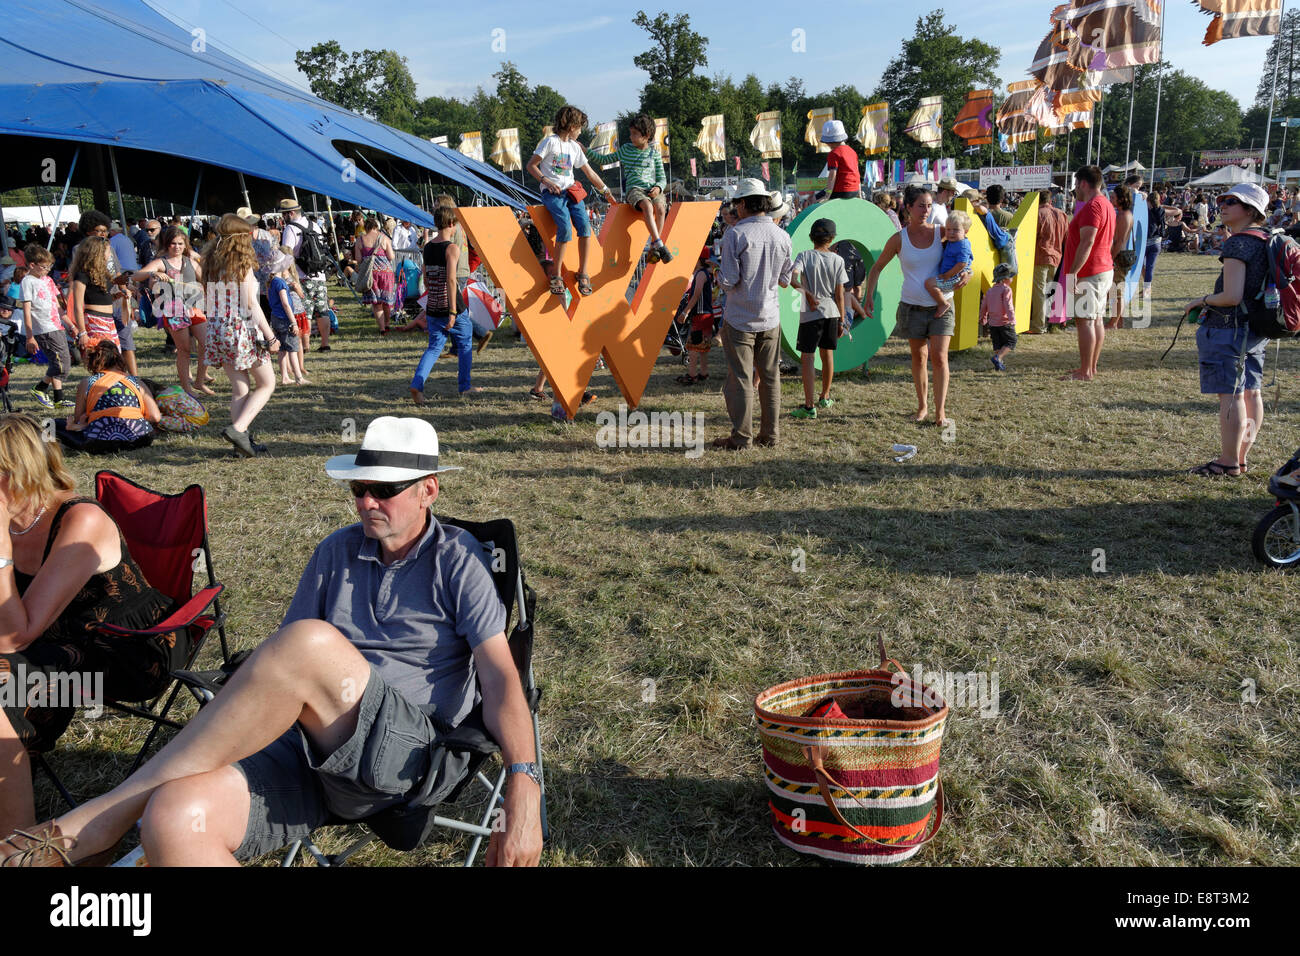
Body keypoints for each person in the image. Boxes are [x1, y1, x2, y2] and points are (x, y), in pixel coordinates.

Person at [0, 417, 543, 867]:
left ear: (429, 489)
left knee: (307, 642)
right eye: (359, 488)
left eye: (385, 490)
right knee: (172, 817)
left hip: (405, 753)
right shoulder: (336, 552)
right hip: (308, 753)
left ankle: (100, 822)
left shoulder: (460, 559)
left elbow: (499, 678)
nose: (367, 502)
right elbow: (284, 663)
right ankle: (120, 818)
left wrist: (524, 783)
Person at [0, 412, 183, 838]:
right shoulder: (13, 521)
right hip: (54, 643)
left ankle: (17, 844)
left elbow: (13, 635)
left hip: (124, 651)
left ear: (19, 473)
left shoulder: (81, 520)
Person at [1186, 183, 1273, 478]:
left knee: (1232, 395)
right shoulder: (1266, 238)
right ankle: (1241, 457)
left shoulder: (1238, 243)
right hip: (1255, 328)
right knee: (1251, 393)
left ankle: (1227, 461)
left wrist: (1201, 300)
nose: (1222, 205)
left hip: (1229, 328)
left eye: (1231, 201)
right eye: (1222, 200)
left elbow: (1232, 295)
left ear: (1250, 210)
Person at [864, 184, 969, 427]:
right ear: (908, 207)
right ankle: (922, 406)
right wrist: (869, 296)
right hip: (911, 306)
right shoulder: (898, 239)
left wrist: (969, 273)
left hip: (941, 306)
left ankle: (940, 411)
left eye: (929, 205)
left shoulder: (941, 232)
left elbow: (965, 251)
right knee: (919, 358)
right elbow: (877, 267)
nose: (926, 210)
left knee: (940, 358)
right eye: (921, 205)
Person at [712, 180, 792, 450]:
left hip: (740, 318)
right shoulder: (782, 235)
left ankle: (741, 437)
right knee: (770, 378)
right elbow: (785, 279)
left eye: (737, 204)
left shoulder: (735, 235)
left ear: (744, 203)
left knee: (742, 378)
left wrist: (717, 277)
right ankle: (770, 435)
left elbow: (730, 280)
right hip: (770, 316)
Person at [201, 213, 279, 457]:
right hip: (241, 329)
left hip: (218, 328)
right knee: (267, 383)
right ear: (242, 237)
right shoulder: (242, 266)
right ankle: (239, 429)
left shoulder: (211, 265)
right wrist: (271, 336)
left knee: (240, 387)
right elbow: (251, 305)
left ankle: (240, 444)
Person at [526, 105, 616, 297]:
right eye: (580, 127)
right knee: (565, 228)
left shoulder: (574, 147)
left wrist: (606, 190)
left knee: (585, 227)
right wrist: (546, 180)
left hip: (572, 192)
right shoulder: (550, 142)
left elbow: (589, 172)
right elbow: (531, 165)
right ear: (571, 126)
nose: (581, 131)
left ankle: (583, 273)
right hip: (553, 193)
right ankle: (557, 275)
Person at [133, 226, 213, 397]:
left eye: (180, 244)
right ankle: (187, 388)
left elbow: (205, 279)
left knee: (207, 344)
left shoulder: (189, 260)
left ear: (185, 244)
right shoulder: (161, 262)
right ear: (167, 245)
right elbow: (136, 276)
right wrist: (154, 273)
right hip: (174, 308)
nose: (177, 247)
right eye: (173, 244)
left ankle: (199, 381)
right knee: (183, 350)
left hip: (194, 306)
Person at [409, 206, 475, 406]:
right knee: (465, 343)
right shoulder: (451, 248)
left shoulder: (428, 247)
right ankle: (465, 386)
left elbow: (427, 279)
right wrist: (453, 311)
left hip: (433, 306)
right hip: (450, 306)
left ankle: (417, 385)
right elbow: (452, 281)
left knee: (434, 348)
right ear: (450, 224)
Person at [589, 114, 672, 262]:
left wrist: (658, 188)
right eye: (630, 133)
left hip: (652, 189)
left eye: (635, 133)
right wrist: (585, 151)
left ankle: (654, 246)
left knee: (660, 208)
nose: (631, 136)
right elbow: (604, 160)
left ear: (646, 136)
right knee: (647, 205)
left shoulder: (654, 154)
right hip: (634, 190)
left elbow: (662, 178)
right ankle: (659, 244)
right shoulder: (626, 149)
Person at [56, 340, 160, 453]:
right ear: (119, 358)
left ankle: (50, 451)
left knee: (50, 423)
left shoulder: (87, 382)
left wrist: (80, 424)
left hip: (99, 440)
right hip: (140, 438)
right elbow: (155, 417)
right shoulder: (136, 381)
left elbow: (78, 419)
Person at [1061, 165, 1115, 381]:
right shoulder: (1106, 204)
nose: (1075, 189)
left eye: (1076, 185)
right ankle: (1089, 368)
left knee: (1085, 321)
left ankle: (1085, 371)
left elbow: (1088, 241)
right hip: (1102, 268)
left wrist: (1073, 272)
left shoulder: (1093, 207)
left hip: (1090, 271)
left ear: (1083, 183)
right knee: (1096, 320)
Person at [790, 218, 848, 420]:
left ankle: (808, 406)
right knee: (828, 356)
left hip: (810, 315)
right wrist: (842, 320)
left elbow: (793, 278)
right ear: (831, 239)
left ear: (811, 237)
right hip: (832, 312)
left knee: (808, 358)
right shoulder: (838, 260)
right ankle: (825, 396)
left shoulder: (804, 256)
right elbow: (840, 294)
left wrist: (805, 292)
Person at [18, 246, 73, 410]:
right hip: (43, 328)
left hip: (56, 325)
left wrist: (69, 324)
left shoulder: (48, 280)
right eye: (44, 267)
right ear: (32, 265)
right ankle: (40, 388)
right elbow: (26, 311)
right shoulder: (27, 282)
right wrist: (29, 336)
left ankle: (58, 397)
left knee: (59, 361)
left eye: (49, 267)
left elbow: (57, 306)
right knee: (62, 364)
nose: (47, 270)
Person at [280, 200, 333, 352]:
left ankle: (306, 346)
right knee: (322, 310)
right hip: (320, 275)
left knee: (305, 311)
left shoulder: (290, 229)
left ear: (290, 213)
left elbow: (287, 253)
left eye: (284, 214)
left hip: (302, 275)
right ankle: (325, 344)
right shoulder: (314, 225)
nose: (283, 217)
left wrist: (287, 275)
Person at [265, 251, 308, 386]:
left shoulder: (271, 282)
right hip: (285, 319)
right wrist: (293, 322)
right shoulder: (281, 283)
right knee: (293, 349)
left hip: (275, 317)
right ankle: (299, 378)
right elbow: (285, 304)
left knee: (282, 349)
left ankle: (284, 377)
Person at [677, 249, 717, 386]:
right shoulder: (706, 273)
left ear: (699, 260)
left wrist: (685, 312)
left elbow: (696, 294)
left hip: (700, 315)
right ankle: (704, 373)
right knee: (703, 346)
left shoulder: (700, 274)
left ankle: (692, 375)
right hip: (707, 314)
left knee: (693, 347)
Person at [1031, 189, 1067, 334]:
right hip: (1056, 256)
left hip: (1041, 255)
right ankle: (1048, 321)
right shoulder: (1062, 214)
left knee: (1039, 292)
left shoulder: (1038, 214)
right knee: (1049, 290)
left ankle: (1038, 325)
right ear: (1050, 200)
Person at [923, 211, 973, 317]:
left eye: (956, 230)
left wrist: (946, 275)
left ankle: (943, 304)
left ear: (966, 231)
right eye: (948, 229)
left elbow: (962, 264)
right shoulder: (954, 242)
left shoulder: (962, 245)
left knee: (929, 284)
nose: (951, 233)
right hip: (952, 275)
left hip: (953, 278)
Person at [353, 217, 398, 335]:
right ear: (376, 227)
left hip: (371, 274)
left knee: (377, 303)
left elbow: (358, 259)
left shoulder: (360, 240)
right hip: (386, 273)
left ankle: (382, 329)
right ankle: (387, 324)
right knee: (387, 302)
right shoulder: (384, 238)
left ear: (365, 227)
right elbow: (391, 256)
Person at [1106, 185, 1136, 330]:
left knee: (1116, 292)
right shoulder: (1124, 214)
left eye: (1113, 197)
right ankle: (1118, 321)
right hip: (1120, 255)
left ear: (1121, 199)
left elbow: (1120, 241)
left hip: (1119, 256)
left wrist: (1110, 258)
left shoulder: (1124, 216)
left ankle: (1113, 323)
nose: (1111, 199)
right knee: (1116, 291)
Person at [981, 263, 1017, 371]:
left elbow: (984, 305)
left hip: (992, 324)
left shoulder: (990, 290)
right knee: (1011, 341)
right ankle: (998, 358)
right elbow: (1008, 305)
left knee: (997, 344)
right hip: (1005, 322)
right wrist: (1012, 319)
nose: (1012, 279)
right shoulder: (1006, 290)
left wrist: (983, 317)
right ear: (1006, 278)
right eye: (1011, 277)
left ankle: (998, 364)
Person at [820, 121, 861, 202]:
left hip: (841, 191)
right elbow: (857, 173)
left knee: (815, 198)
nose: (828, 145)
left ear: (831, 141)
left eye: (828, 143)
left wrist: (827, 195)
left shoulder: (834, 153)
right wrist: (859, 194)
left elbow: (832, 175)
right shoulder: (852, 152)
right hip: (854, 191)